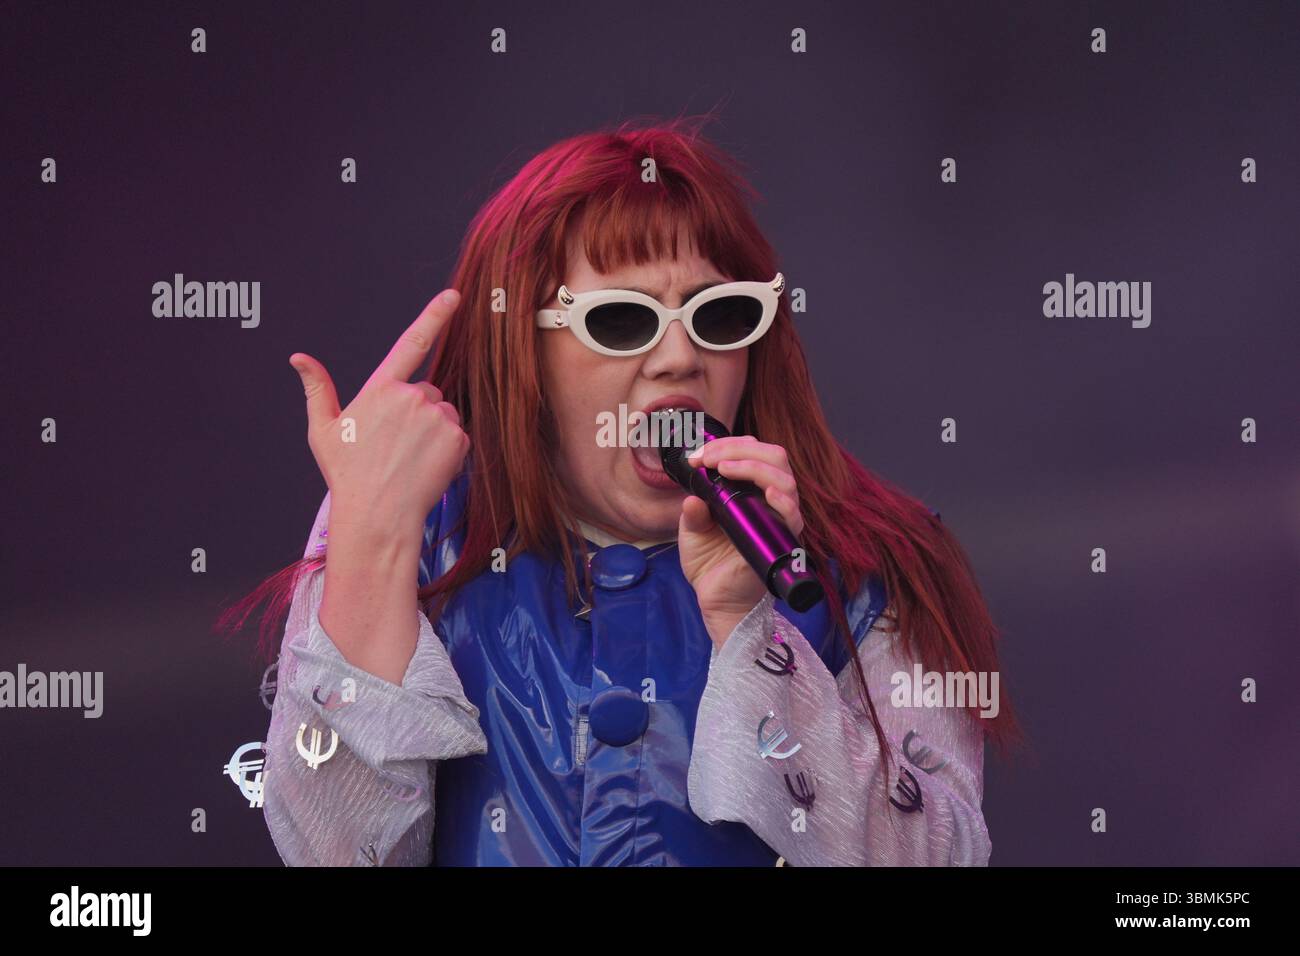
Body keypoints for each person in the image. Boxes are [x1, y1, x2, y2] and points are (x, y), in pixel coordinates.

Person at [230, 116, 1021, 866]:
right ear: (522, 352)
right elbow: (336, 850)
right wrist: (370, 539)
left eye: (720, 315)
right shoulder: (413, 530)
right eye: (620, 321)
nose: (680, 357)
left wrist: (751, 635)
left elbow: (935, 856)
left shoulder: (876, 564)